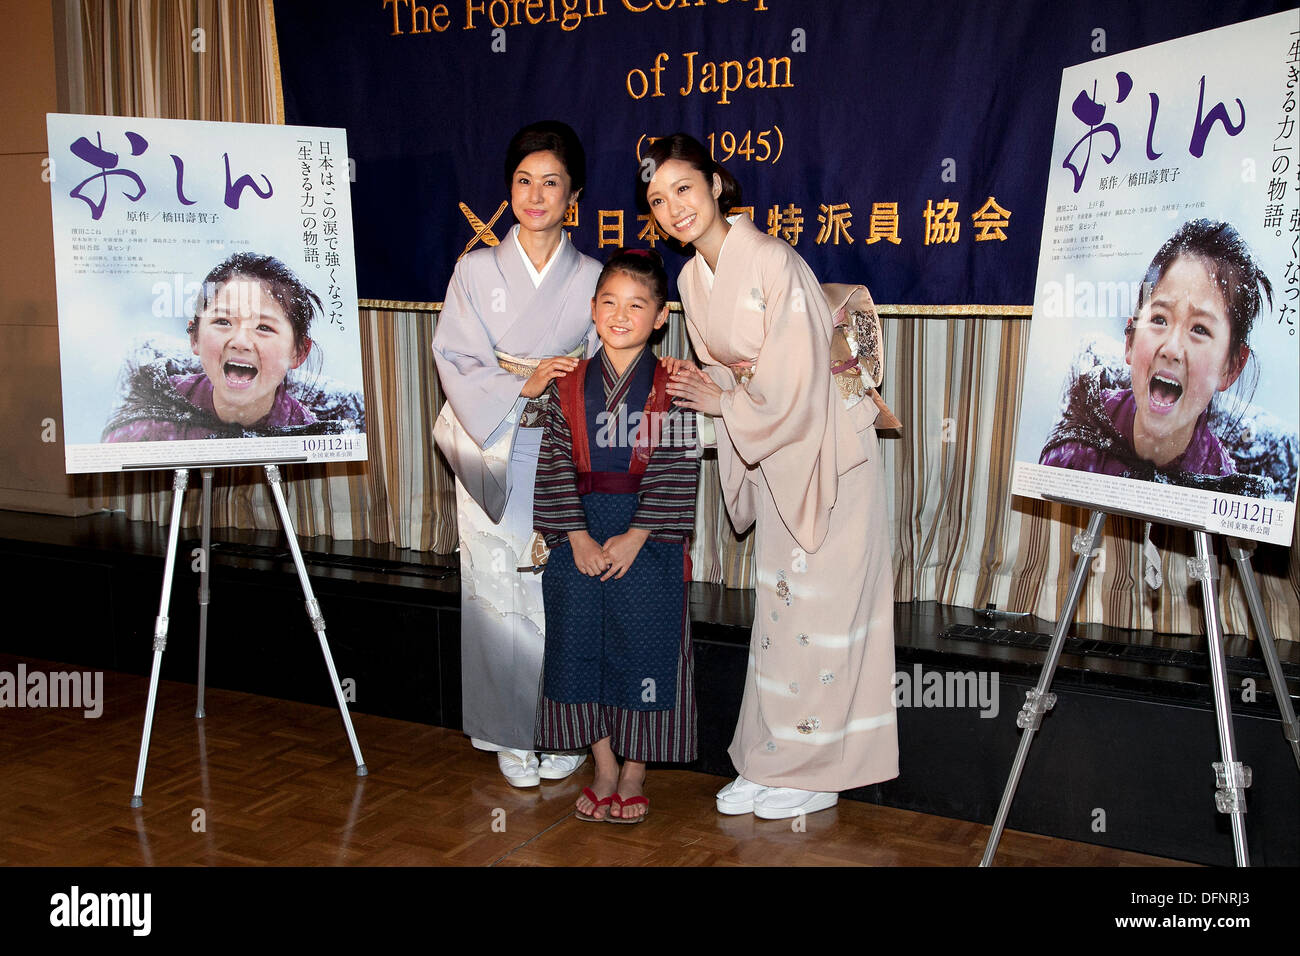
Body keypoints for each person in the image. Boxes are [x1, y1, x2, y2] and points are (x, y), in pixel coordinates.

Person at [643, 133, 898, 819]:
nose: (674, 210)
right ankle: (773, 758)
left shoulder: (772, 260)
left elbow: (798, 379)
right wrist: (711, 385)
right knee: (783, 618)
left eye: (684, 190)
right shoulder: (694, 277)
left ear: (717, 185)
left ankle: (819, 769)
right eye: (658, 201)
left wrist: (724, 400)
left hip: (824, 454)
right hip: (776, 452)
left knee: (823, 613)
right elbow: (734, 372)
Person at [431, 120, 600, 787]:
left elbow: (606, 355)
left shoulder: (590, 276)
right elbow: (453, 354)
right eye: (523, 181)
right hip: (489, 439)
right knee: (495, 579)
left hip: (559, 439)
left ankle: (562, 723)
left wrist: (570, 392)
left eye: (550, 183)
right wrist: (520, 381)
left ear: (573, 195)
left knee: (556, 580)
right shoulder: (475, 269)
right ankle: (507, 727)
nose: (535, 195)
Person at [533, 248, 699, 823]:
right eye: (610, 302)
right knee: (578, 645)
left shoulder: (672, 385)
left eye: (637, 305)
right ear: (593, 309)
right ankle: (602, 763)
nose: (621, 315)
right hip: (578, 530)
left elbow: (677, 464)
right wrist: (574, 536)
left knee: (642, 649)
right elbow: (553, 463)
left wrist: (640, 532)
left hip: (646, 538)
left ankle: (634, 771)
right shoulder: (567, 385)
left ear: (660, 316)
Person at [1039, 218, 1274, 495]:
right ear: (1130, 339)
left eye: (1199, 329)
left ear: (1231, 367)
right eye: (1160, 319)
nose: (1172, 349)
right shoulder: (1077, 444)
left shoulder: (1222, 491)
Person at [103, 252, 360, 441]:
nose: (240, 341)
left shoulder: (315, 438)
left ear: (299, 351)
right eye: (223, 321)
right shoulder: (148, 422)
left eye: (264, 327)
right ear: (194, 337)